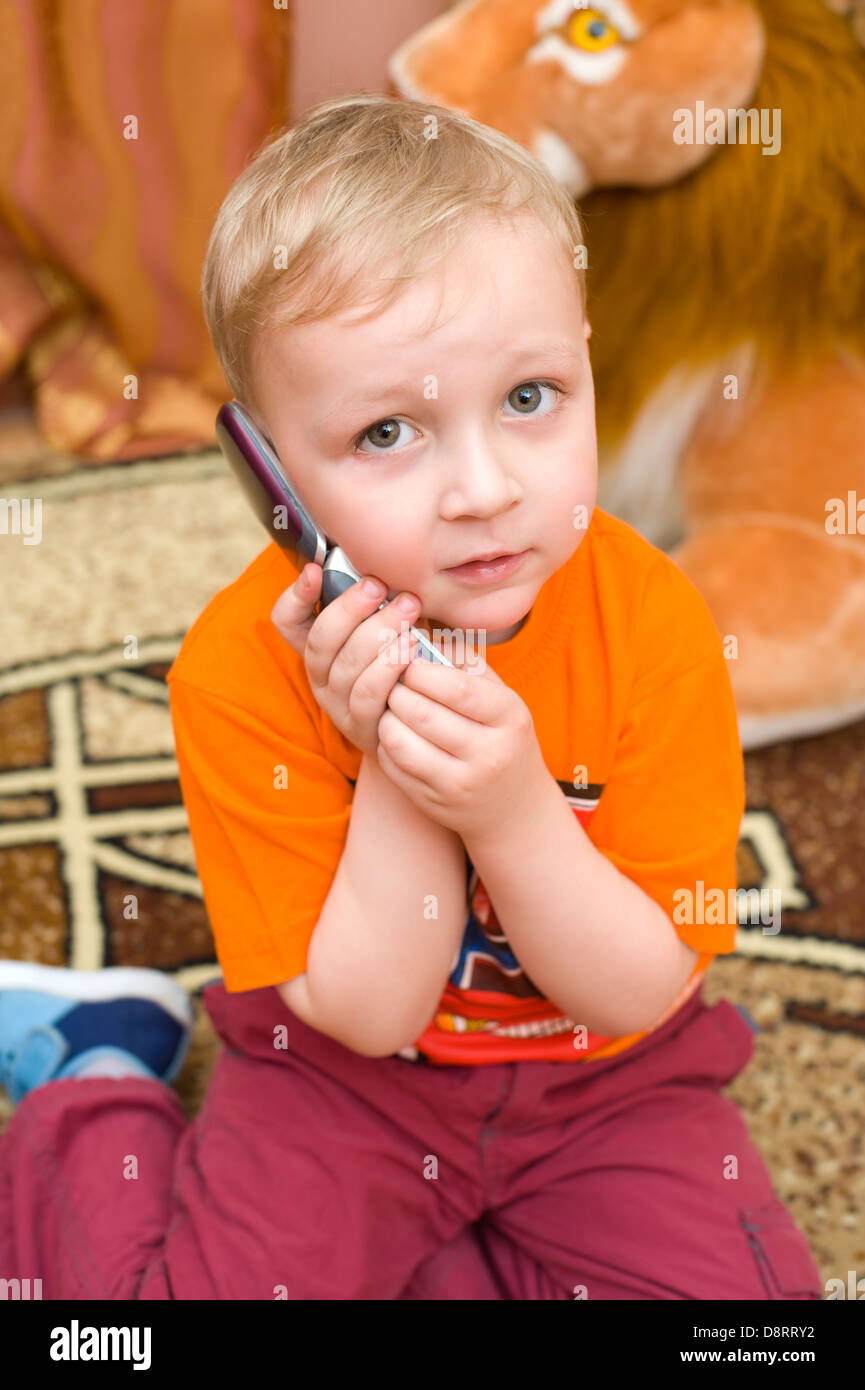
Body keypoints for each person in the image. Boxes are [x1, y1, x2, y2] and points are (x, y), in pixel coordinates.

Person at [0, 94, 824, 1301]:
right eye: (389, 430)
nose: (483, 488)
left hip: (606, 1086)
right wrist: (394, 753)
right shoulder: (236, 672)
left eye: (531, 398)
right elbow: (366, 1015)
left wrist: (514, 813)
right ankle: (95, 1087)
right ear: (267, 468)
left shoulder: (657, 623)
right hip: (342, 1084)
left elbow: (642, 988)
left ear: (589, 365)